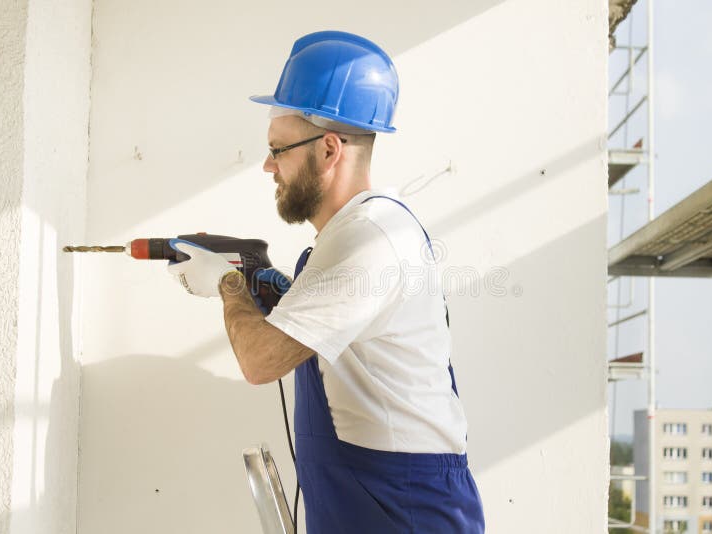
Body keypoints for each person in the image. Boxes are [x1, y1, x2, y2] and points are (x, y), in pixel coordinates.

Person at [168, 31, 485, 533]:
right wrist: (270, 286)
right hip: (363, 497)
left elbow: (260, 361)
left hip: (403, 508)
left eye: (277, 149)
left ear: (330, 149)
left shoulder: (370, 239)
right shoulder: (349, 237)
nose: (268, 166)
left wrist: (227, 283)